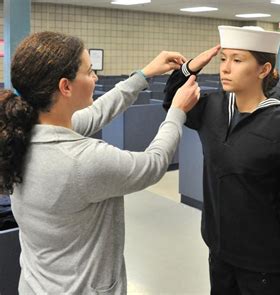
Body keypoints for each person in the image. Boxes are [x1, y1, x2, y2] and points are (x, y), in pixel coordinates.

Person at [0, 31, 199, 293]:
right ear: (65, 86)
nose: (95, 78)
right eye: (89, 71)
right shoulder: (82, 161)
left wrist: (144, 75)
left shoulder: (22, 132)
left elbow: (97, 113)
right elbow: (153, 164)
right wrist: (177, 112)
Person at [163, 26, 280, 295]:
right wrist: (190, 67)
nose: (225, 68)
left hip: (266, 263)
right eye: (223, 59)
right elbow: (173, 102)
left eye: (237, 60)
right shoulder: (212, 108)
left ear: (263, 70)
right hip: (220, 253)